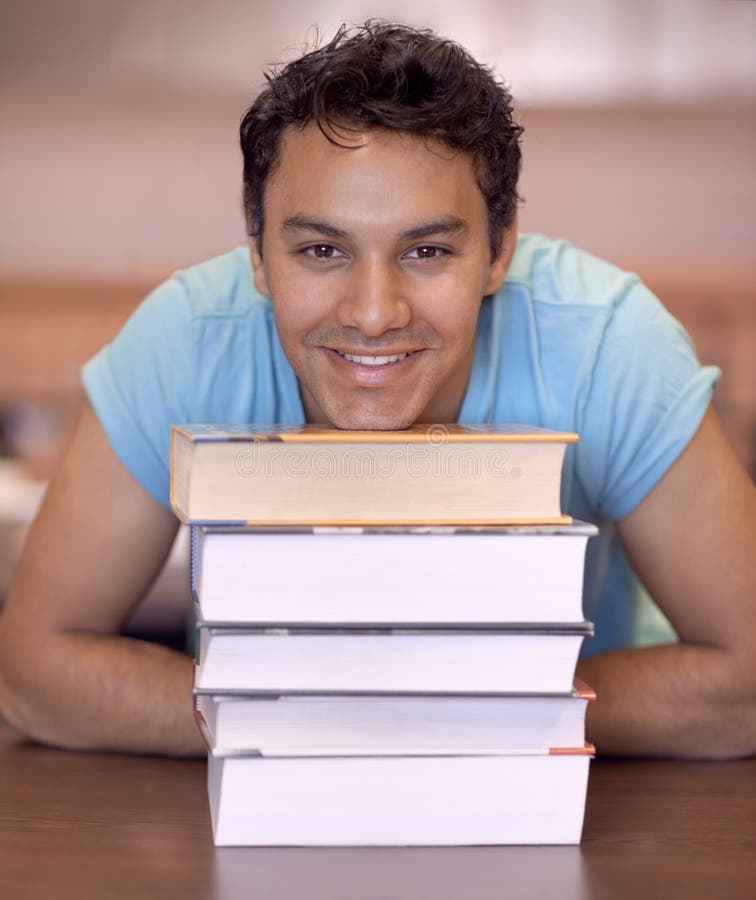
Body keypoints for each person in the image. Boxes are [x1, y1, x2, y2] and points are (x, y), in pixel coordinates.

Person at [0, 22, 754, 759]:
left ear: (499, 252)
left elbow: (746, 680)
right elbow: (30, 672)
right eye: (321, 250)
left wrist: (480, 719)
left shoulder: (607, 343)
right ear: (258, 254)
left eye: (427, 250)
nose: (371, 314)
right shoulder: (186, 337)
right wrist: (312, 724)